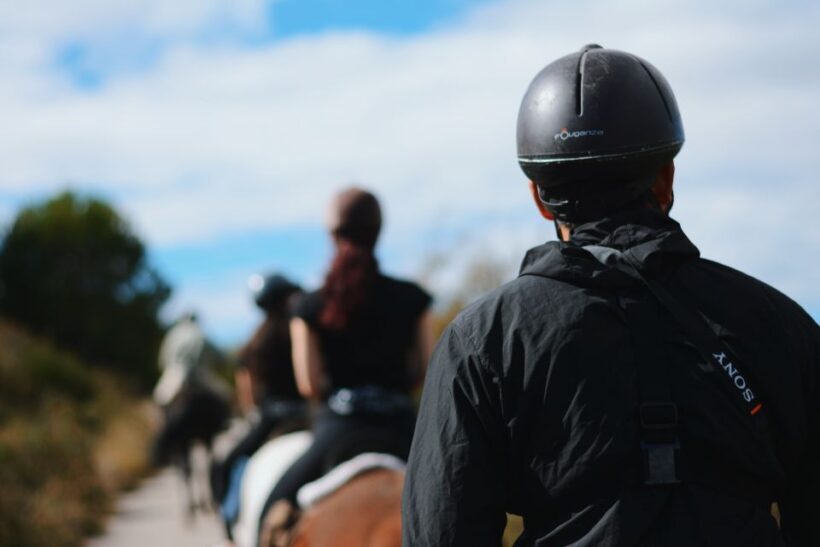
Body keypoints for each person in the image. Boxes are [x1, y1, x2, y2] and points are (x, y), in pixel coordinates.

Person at [403, 44, 820, 546]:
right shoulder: (782, 324)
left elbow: (442, 534)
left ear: (538, 197)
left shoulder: (481, 341)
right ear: (666, 180)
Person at [259, 186, 434, 535]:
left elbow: (308, 384)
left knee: (271, 510)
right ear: (378, 231)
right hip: (405, 430)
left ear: (332, 234)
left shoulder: (308, 307)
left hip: (337, 429)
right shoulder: (414, 299)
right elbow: (427, 370)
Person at [211, 273, 307, 535]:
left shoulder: (254, 345)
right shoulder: (302, 331)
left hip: (273, 417)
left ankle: (230, 517)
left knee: (229, 463)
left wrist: (253, 412)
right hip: (309, 415)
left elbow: (249, 397)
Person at [151, 312, 230, 468]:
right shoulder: (199, 333)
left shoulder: (172, 335)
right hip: (199, 374)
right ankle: (223, 422)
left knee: (159, 399)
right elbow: (218, 356)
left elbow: (163, 359)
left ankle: (162, 426)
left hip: (174, 374)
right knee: (224, 395)